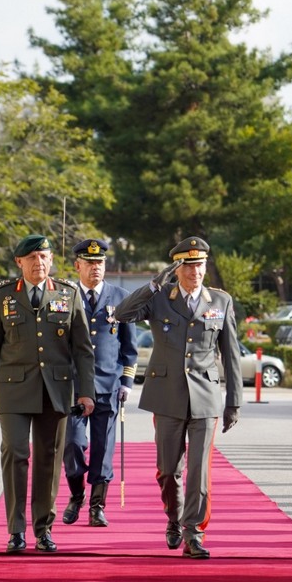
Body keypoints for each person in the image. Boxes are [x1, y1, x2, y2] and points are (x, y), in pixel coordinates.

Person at [114, 236, 241, 559]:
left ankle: (193, 532)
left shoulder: (220, 301)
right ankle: (174, 517)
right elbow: (122, 313)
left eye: (200, 265)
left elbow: (231, 355)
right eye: (188, 265)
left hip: (206, 397)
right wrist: (153, 285)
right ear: (177, 268)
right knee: (168, 470)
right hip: (166, 395)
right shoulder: (160, 299)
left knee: (199, 471)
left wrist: (233, 402)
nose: (196, 271)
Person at [0, 234, 96, 554]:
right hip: (13, 389)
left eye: (43, 257)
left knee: (48, 460)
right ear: (19, 263)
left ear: (51, 261)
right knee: (16, 453)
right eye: (31, 258)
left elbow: (83, 350)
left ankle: (43, 529)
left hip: (55, 391)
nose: (38, 263)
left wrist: (86, 393)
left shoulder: (67, 294)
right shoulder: (4, 296)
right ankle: (16, 529)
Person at [61, 238, 138, 528]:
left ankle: (97, 505)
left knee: (103, 448)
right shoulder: (65, 297)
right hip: (74, 387)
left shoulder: (120, 297)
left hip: (109, 385)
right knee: (72, 445)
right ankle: (76, 494)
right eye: (90, 263)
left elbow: (130, 348)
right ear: (77, 265)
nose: (96, 268)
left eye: (100, 263)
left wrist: (127, 383)